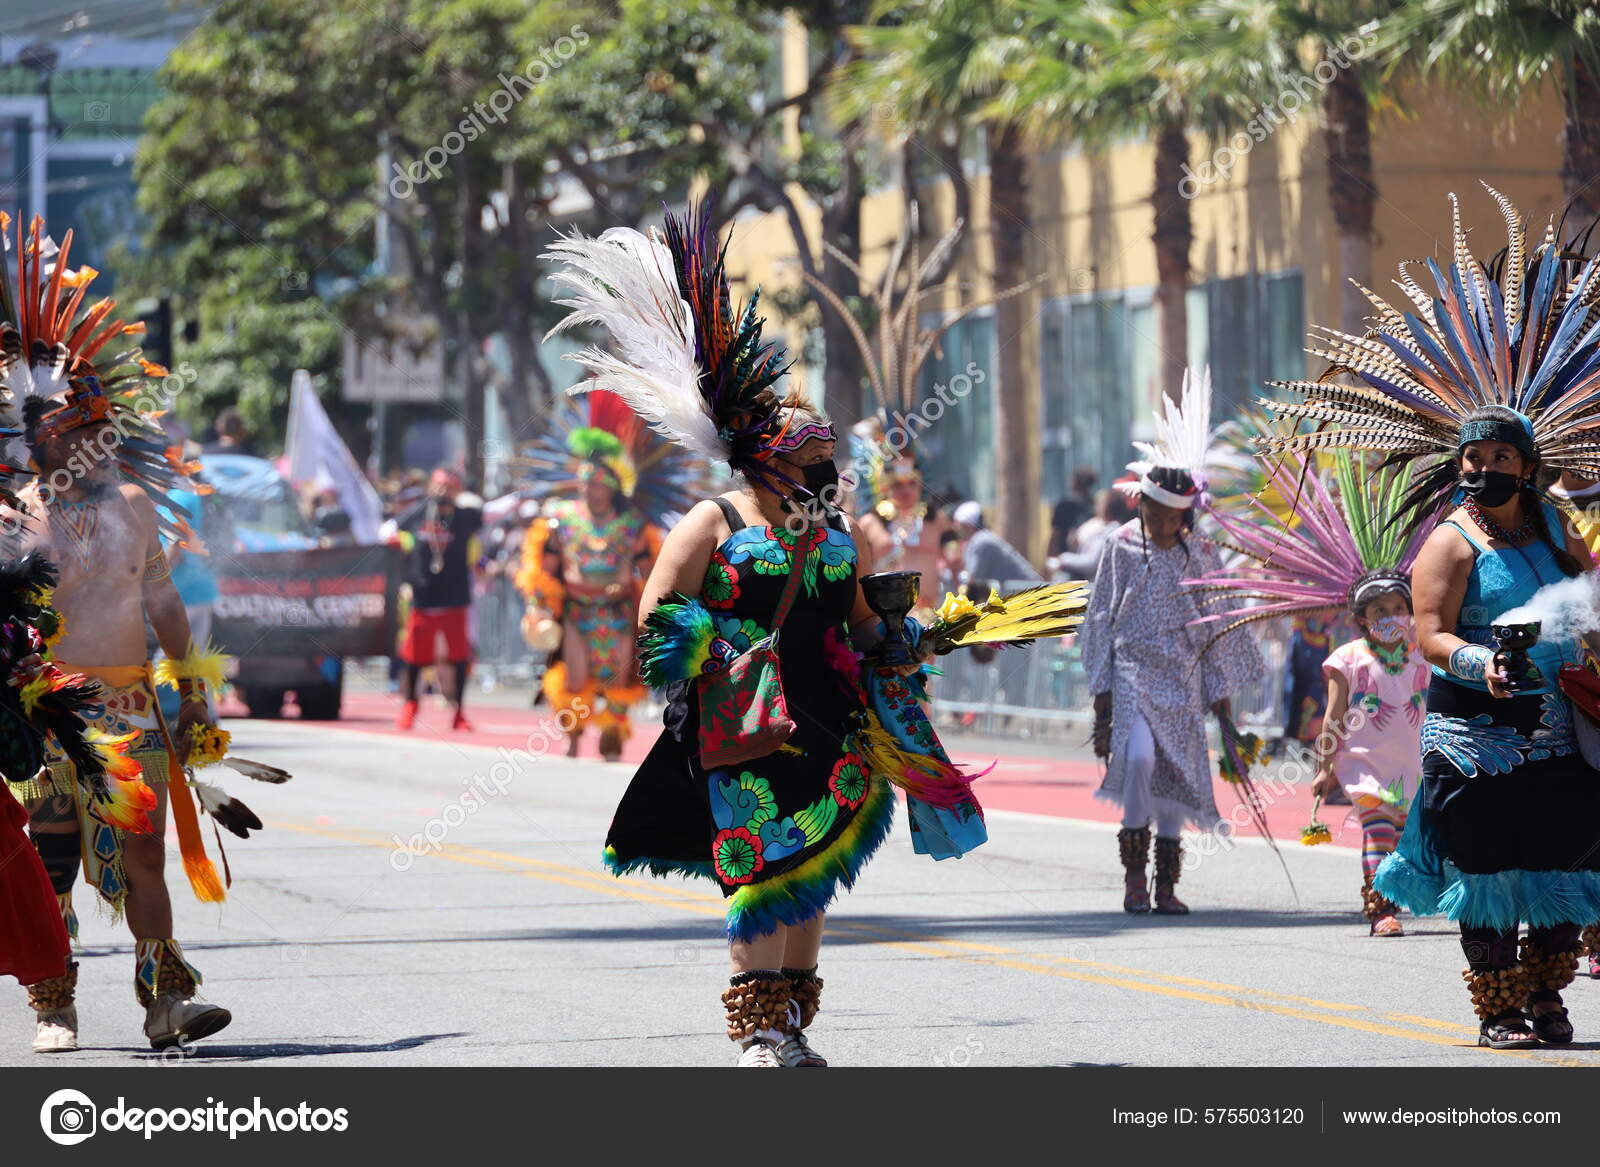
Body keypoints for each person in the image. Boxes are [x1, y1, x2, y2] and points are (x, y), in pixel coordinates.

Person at [544, 205, 1000, 1067]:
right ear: (764, 458)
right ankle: (755, 1031)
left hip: (831, 719)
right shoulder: (710, 521)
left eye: (823, 457)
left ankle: (790, 1025)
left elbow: (867, 627)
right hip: (743, 720)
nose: (821, 470)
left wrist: (921, 640)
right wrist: (709, 653)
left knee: (814, 860)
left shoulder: (844, 535)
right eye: (806, 458)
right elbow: (655, 610)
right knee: (759, 861)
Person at [1260, 191, 1600, 1049]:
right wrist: (1476, 664)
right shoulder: (1448, 542)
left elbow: (1588, 597)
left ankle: (1550, 995)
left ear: (1528, 464)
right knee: (1485, 866)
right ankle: (1499, 1006)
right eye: (1472, 457)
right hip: (1474, 727)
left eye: (1499, 457)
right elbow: (1428, 632)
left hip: (1559, 723)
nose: (1483, 468)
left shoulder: (1557, 524)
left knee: (1563, 862)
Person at [1080, 367, 1264, 915]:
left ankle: (1165, 885)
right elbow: (1098, 620)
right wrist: (1101, 702)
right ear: (1141, 506)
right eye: (1157, 514)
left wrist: (1223, 702)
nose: (1165, 525)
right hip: (1133, 672)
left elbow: (1216, 626)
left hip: (1183, 678)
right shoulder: (1119, 546)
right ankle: (1134, 876)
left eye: (1175, 517)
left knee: (1176, 776)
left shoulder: (1201, 553)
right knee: (1137, 761)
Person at [515, 391, 691, 761]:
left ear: (611, 486)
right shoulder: (559, 518)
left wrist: (659, 613)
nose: (586, 488)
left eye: (594, 483)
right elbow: (539, 572)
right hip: (577, 612)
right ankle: (574, 734)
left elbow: (652, 573)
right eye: (583, 482)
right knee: (575, 677)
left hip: (617, 613)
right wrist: (537, 607)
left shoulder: (632, 525)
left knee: (618, 680)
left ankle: (612, 733)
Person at [388, 468, 483, 731]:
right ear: (431, 486)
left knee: (458, 657)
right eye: (440, 485)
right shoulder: (418, 512)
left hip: (454, 598)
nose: (443, 491)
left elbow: (497, 510)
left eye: (450, 486)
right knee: (415, 656)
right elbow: (389, 529)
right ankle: (410, 706)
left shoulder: (466, 516)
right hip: (423, 597)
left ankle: (459, 711)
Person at [952, 500, 1040, 594]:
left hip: (1028, 594)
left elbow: (972, 581)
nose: (955, 528)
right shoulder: (978, 540)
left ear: (968, 525)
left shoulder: (982, 542)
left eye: (958, 524)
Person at [1048, 465, 1099, 557]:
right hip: (1087, 556)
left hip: (1065, 557)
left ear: (1074, 482)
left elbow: (1056, 535)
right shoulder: (1094, 505)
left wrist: (1050, 558)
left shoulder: (1064, 505)